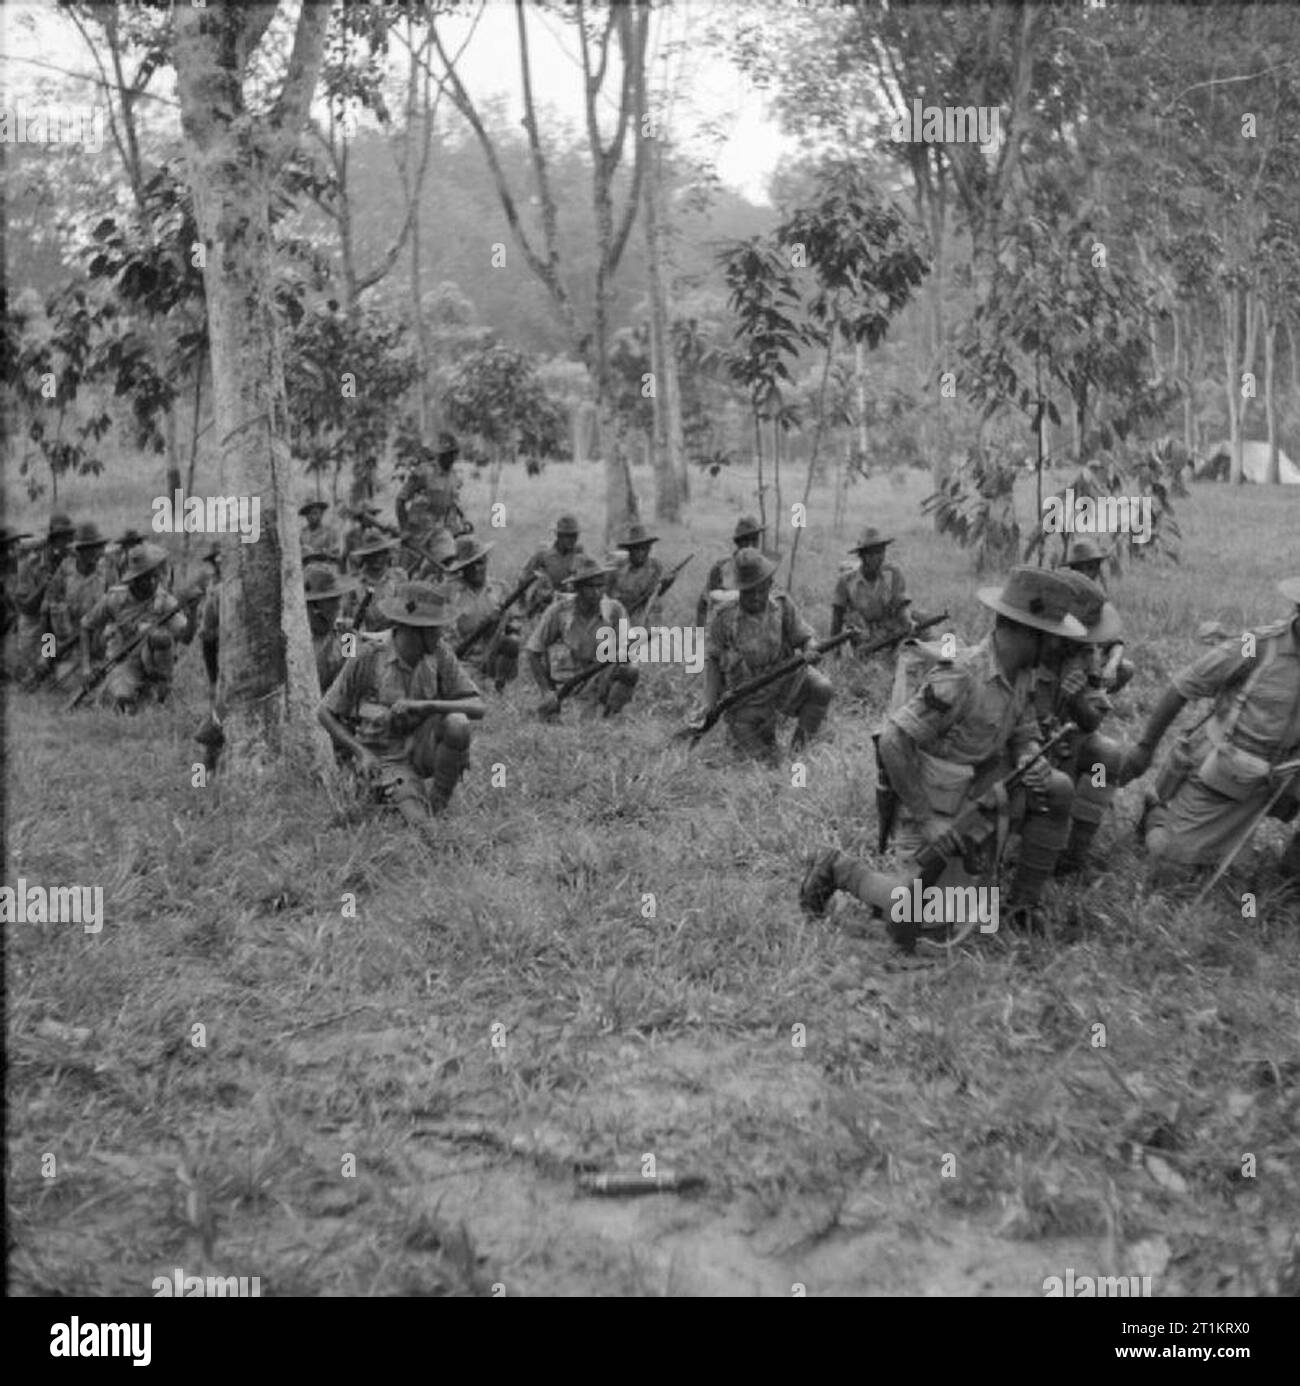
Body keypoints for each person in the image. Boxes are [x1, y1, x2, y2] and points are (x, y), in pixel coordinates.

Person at [800, 566, 1088, 938]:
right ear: (1026, 632)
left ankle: (1022, 906)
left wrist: (1029, 757)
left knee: (1058, 787)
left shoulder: (1024, 673)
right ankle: (839, 869)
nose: (1058, 647)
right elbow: (892, 741)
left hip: (979, 802)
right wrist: (927, 820)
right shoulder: (962, 677)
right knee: (926, 926)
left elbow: (1024, 731)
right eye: (1051, 637)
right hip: (931, 810)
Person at [1122, 576, 1300, 884]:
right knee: (1172, 871)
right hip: (1226, 771)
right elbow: (1182, 687)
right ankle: (1157, 813)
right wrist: (1145, 747)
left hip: (1283, 777)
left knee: (1240, 871)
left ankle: (1290, 874)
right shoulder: (1256, 646)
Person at [318, 581, 485, 831]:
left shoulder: (439, 653)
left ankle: (438, 805)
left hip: (419, 747)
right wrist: (360, 753)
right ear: (413, 629)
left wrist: (426, 705)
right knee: (420, 824)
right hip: (383, 758)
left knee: (457, 723)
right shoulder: (368, 656)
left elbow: (478, 707)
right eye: (434, 628)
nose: (441, 633)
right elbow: (325, 712)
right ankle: (416, 811)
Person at [703, 548, 831, 761]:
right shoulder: (723, 617)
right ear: (740, 589)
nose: (756, 597)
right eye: (749, 591)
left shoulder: (782, 605)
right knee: (765, 761)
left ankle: (798, 754)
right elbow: (712, 661)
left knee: (822, 687)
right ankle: (753, 738)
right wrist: (710, 706)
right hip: (746, 697)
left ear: (769, 584)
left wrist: (811, 649)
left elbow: (806, 637)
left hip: (784, 682)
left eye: (761, 589)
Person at [526, 554, 638, 719]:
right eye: (590, 587)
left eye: (600, 586)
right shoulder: (558, 611)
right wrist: (547, 691)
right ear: (577, 588)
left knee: (630, 671)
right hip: (567, 682)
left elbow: (628, 651)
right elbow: (533, 651)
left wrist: (623, 654)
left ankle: (611, 714)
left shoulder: (614, 610)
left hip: (600, 681)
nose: (597, 592)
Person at [79, 542, 188, 711]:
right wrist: (86, 668)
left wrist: (192, 612)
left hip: (156, 665)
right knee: (123, 699)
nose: (152, 582)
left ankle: (162, 689)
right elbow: (86, 625)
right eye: (146, 578)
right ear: (134, 580)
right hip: (123, 661)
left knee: (160, 637)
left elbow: (184, 633)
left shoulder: (165, 601)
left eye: (155, 576)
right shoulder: (115, 599)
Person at [445, 535, 520, 692]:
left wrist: (505, 627)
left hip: (493, 657)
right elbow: (446, 639)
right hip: (464, 659)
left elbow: (515, 623)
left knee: (512, 643)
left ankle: (500, 683)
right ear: (462, 569)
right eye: (470, 565)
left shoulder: (501, 588)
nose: (476, 569)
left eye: (480, 563)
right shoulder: (451, 593)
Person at [14, 513, 76, 686]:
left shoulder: (71, 561)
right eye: (64, 540)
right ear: (53, 540)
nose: (68, 545)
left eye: (70, 539)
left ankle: (50, 660)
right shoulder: (29, 563)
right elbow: (25, 607)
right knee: (31, 674)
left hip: (58, 624)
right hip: (34, 626)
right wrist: (43, 586)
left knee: (59, 674)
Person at [395, 432, 463, 574]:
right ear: (439, 454)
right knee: (404, 574)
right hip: (416, 533)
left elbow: (453, 505)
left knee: (448, 566)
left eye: (452, 454)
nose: (450, 458)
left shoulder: (454, 478)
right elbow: (400, 500)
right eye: (446, 454)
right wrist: (404, 530)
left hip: (439, 532)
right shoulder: (423, 472)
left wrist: (460, 525)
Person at [697, 514, 766, 626]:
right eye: (745, 541)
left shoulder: (764, 568)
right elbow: (703, 604)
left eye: (755, 540)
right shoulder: (721, 568)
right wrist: (700, 636)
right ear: (737, 543)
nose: (751, 545)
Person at [304, 564, 359, 693]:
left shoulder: (343, 632)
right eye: (331, 600)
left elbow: (348, 676)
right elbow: (317, 680)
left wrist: (349, 643)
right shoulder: (301, 638)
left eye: (339, 598)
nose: (338, 605)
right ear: (315, 606)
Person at [519, 514, 585, 618]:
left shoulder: (579, 553)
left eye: (575, 535)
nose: (572, 539)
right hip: (546, 606)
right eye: (568, 536)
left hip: (572, 605)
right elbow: (523, 579)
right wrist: (522, 606)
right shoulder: (543, 555)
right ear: (559, 535)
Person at [345, 537, 410, 633]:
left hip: (394, 636)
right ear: (365, 556)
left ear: (387, 554)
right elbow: (348, 619)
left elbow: (409, 608)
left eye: (381, 553)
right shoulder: (354, 582)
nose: (377, 558)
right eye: (373, 554)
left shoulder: (399, 577)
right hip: (363, 637)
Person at [299, 501, 340, 568]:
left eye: (315, 513)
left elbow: (336, 554)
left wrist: (323, 552)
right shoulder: (302, 533)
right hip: (306, 569)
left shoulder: (330, 532)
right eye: (308, 514)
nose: (311, 516)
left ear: (321, 514)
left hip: (325, 568)